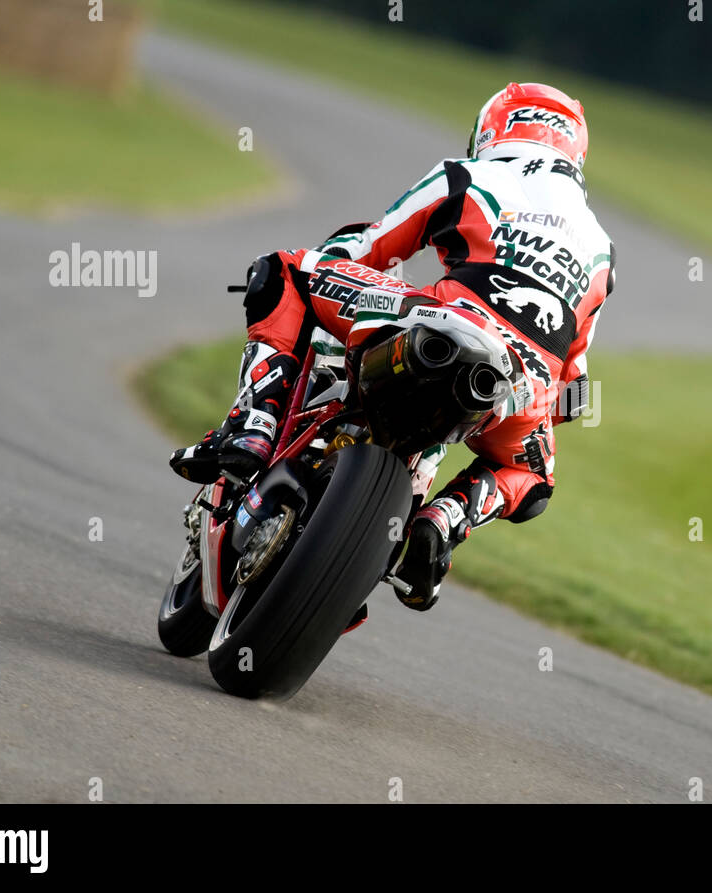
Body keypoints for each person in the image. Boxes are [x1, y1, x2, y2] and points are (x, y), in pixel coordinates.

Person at [170, 82, 614, 611]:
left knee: (282, 271)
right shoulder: (602, 248)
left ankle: (255, 428)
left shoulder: (467, 175)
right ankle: (442, 521)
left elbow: (369, 249)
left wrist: (332, 259)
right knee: (534, 479)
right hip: (520, 384)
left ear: (494, 130)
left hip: (433, 326)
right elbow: (575, 390)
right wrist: (532, 410)